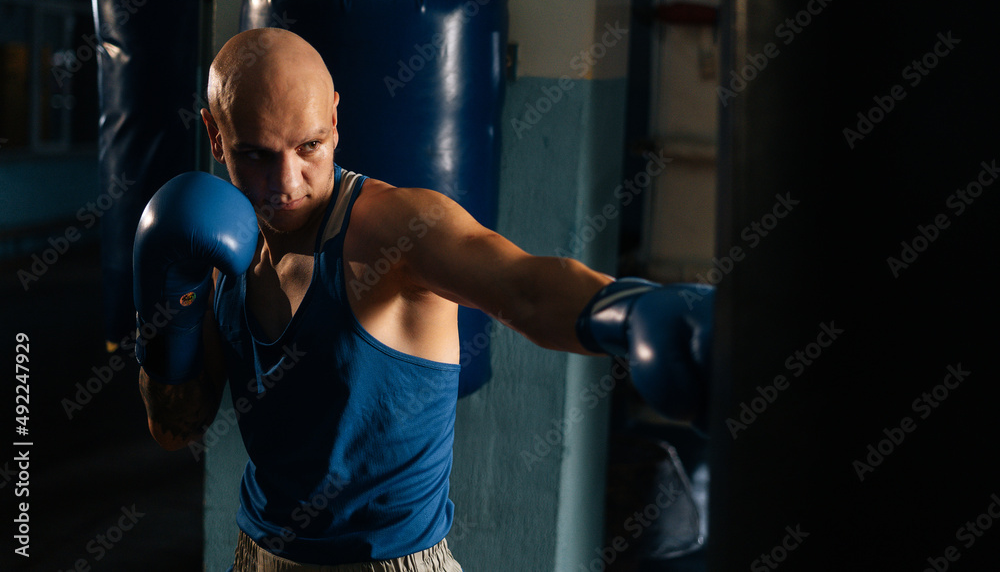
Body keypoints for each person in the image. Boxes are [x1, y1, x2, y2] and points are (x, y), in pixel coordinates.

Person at [132, 28, 713, 572]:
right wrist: (166, 311)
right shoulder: (216, 244)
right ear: (215, 135)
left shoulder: (395, 229)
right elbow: (176, 426)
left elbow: (525, 287)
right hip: (257, 552)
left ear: (335, 119)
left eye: (308, 146)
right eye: (256, 154)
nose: (286, 182)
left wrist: (627, 312)